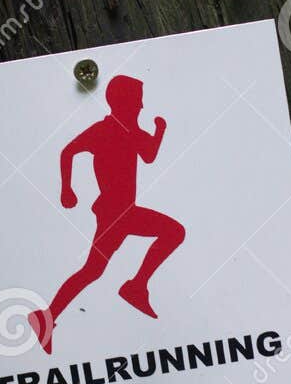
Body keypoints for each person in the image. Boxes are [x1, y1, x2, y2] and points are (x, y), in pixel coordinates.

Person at [29, 75, 185, 354]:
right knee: (95, 269)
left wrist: (158, 131)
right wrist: (67, 189)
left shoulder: (132, 131)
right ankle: (132, 288)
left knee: (93, 270)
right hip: (114, 214)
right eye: (137, 101)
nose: (141, 106)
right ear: (123, 102)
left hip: (125, 213)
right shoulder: (104, 130)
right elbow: (68, 151)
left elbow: (148, 155)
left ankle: (50, 316)